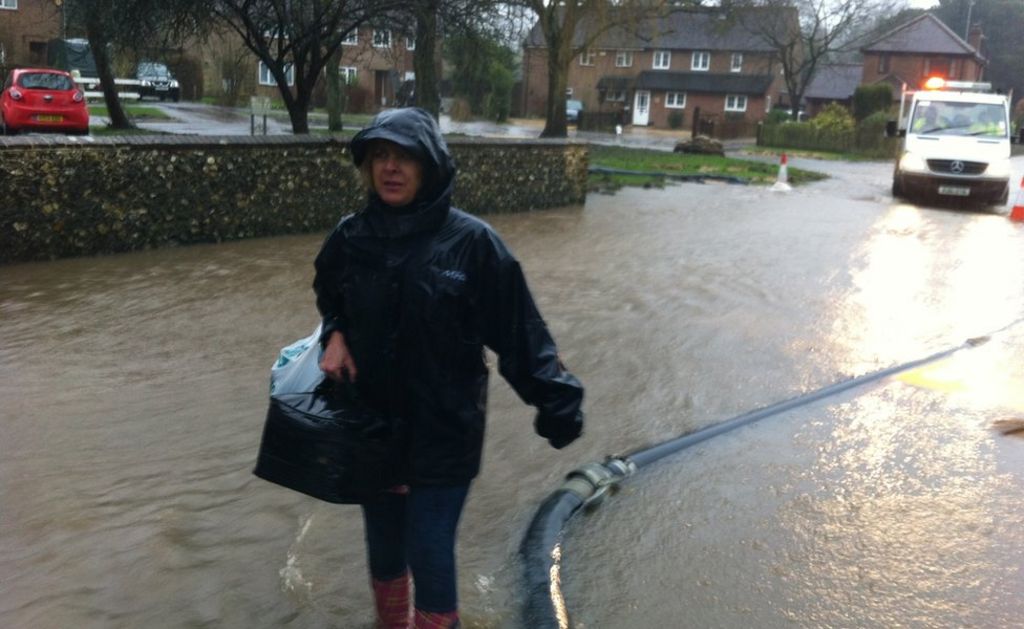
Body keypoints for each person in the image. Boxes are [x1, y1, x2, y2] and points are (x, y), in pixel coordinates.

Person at [312, 107, 585, 629]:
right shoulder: (352, 238)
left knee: (429, 549)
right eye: (380, 157)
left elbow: (520, 334)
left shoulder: (474, 245)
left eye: (404, 157)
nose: (391, 168)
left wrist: (557, 402)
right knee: (384, 546)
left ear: (430, 165)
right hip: (372, 425)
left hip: (444, 429)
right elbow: (331, 294)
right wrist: (335, 334)